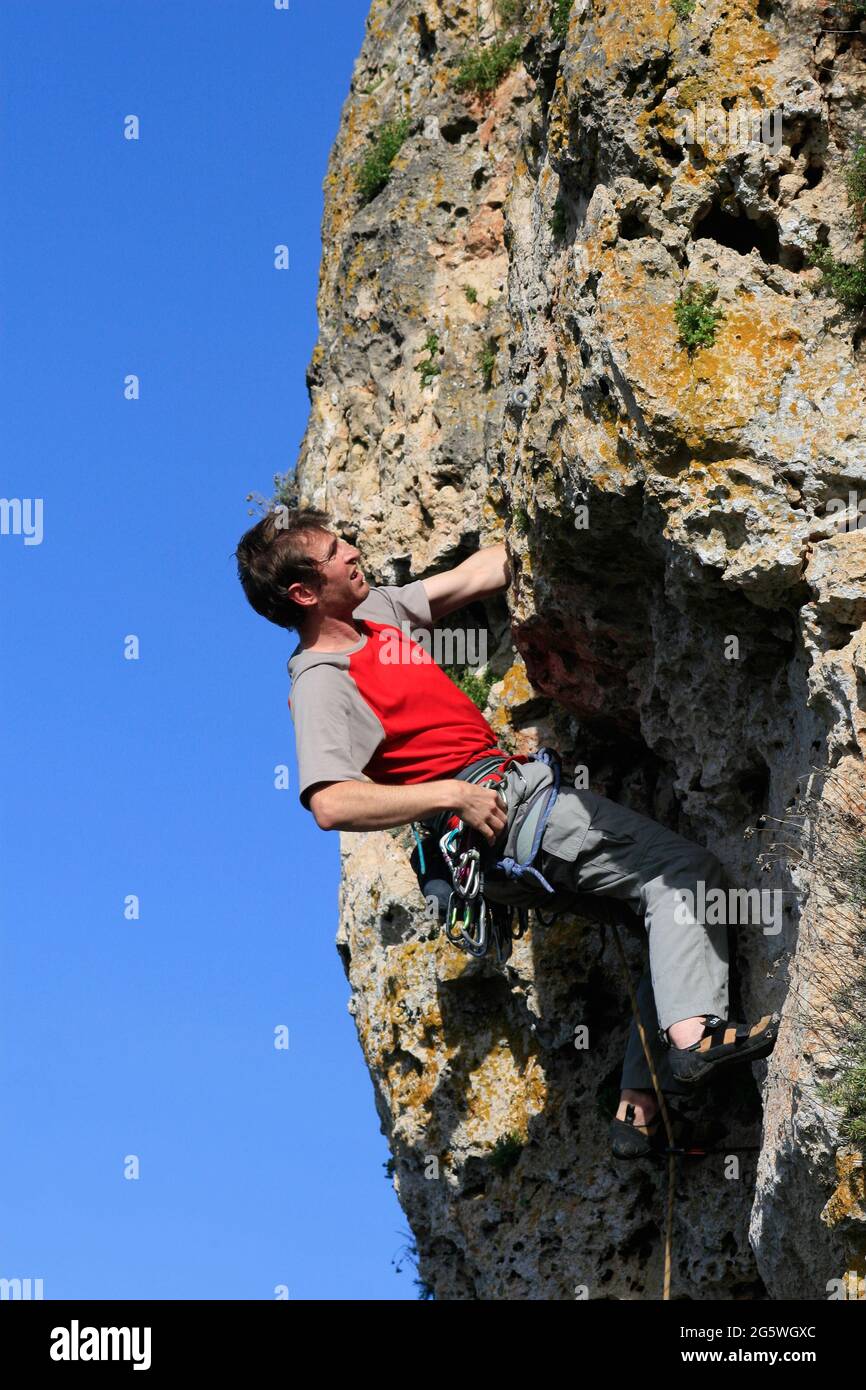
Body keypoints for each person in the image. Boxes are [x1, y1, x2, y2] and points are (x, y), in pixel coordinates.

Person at [235, 507, 779, 1159]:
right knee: (683, 875)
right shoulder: (324, 681)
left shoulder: (376, 613)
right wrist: (451, 792)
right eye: (333, 550)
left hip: (493, 831)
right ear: (303, 591)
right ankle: (694, 1040)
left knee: (660, 915)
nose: (354, 551)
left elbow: (476, 575)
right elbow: (330, 801)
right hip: (500, 809)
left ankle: (639, 1115)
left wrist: (548, 518)